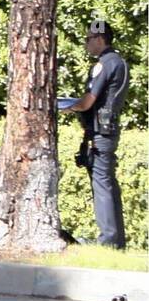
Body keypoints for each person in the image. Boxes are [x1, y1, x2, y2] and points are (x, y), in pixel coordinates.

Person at [62, 20, 129, 249]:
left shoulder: (105, 64)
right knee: (108, 185)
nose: (86, 44)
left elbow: (89, 101)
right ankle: (116, 241)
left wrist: (67, 106)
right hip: (107, 130)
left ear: (100, 38)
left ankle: (108, 241)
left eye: (88, 39)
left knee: (102, 186)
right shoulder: (119, 62)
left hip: (101, 132)